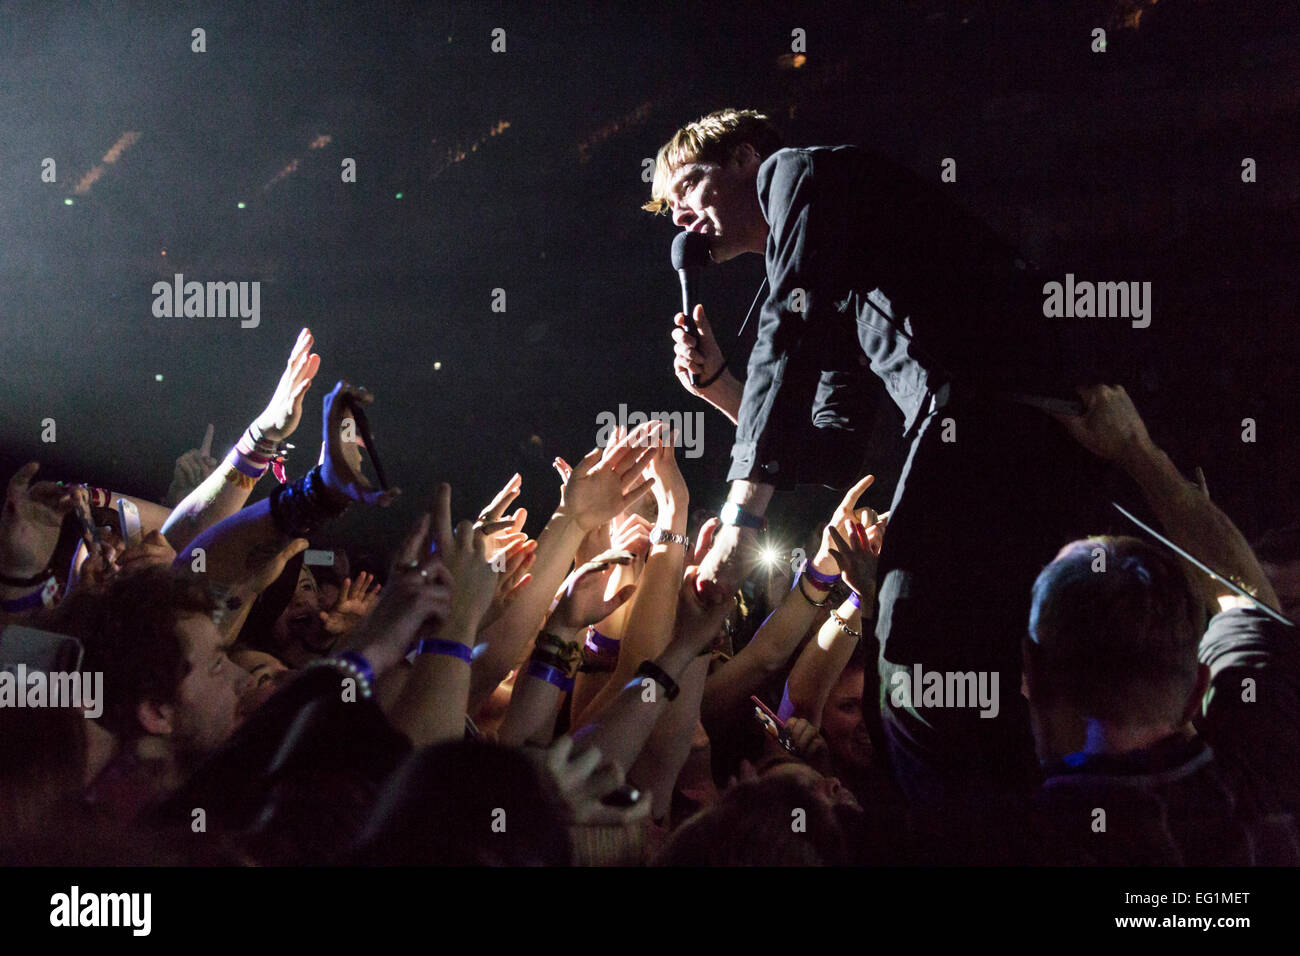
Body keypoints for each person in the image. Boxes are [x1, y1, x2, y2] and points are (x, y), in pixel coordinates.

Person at [645, 108, 1108, 804]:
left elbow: (787, 331)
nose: (683, 219)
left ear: (744, 159)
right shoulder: (835, 265)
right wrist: (720, 388)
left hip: (993, 412)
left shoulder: (796, 171)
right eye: (671, 212)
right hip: (979, 428)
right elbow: (836, 440)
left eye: (688, 190)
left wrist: (741, 517)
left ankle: (954, 832)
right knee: (981, 639)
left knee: (913, 624)